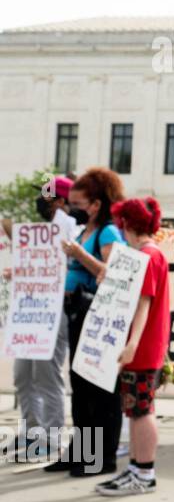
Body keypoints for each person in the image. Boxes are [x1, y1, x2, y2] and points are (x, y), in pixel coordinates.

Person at [46, 167, 126, 476]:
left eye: (78, 203)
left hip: (97, 317)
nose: (72, 208)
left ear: (96, 204)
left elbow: (112, 274)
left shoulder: (108, 232)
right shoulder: (84, 231)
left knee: (98, 389)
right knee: (80, 387)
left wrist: (79, 254)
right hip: (76, 314)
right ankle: (80, 452)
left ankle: (100, 458)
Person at [95, 198, 168, 496]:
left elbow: (143, 303)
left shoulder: (148, 256)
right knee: (136, 409)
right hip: (142, 346)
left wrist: (133, 344)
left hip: (142, 347)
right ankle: (138, 468)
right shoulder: (147, 255)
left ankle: (144, 472)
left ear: (127, 224)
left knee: (141, 410)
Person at [2, 176, 78, 459]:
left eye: (47, 197)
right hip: (31, 311)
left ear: (61, 201)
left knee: (47, 376)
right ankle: (31, 431)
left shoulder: (70, 228)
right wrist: (21, 272)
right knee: (23, 375)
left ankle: (52, 437)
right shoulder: (43, 232)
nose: (41, 202)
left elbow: (65, 266)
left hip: (53, 312)